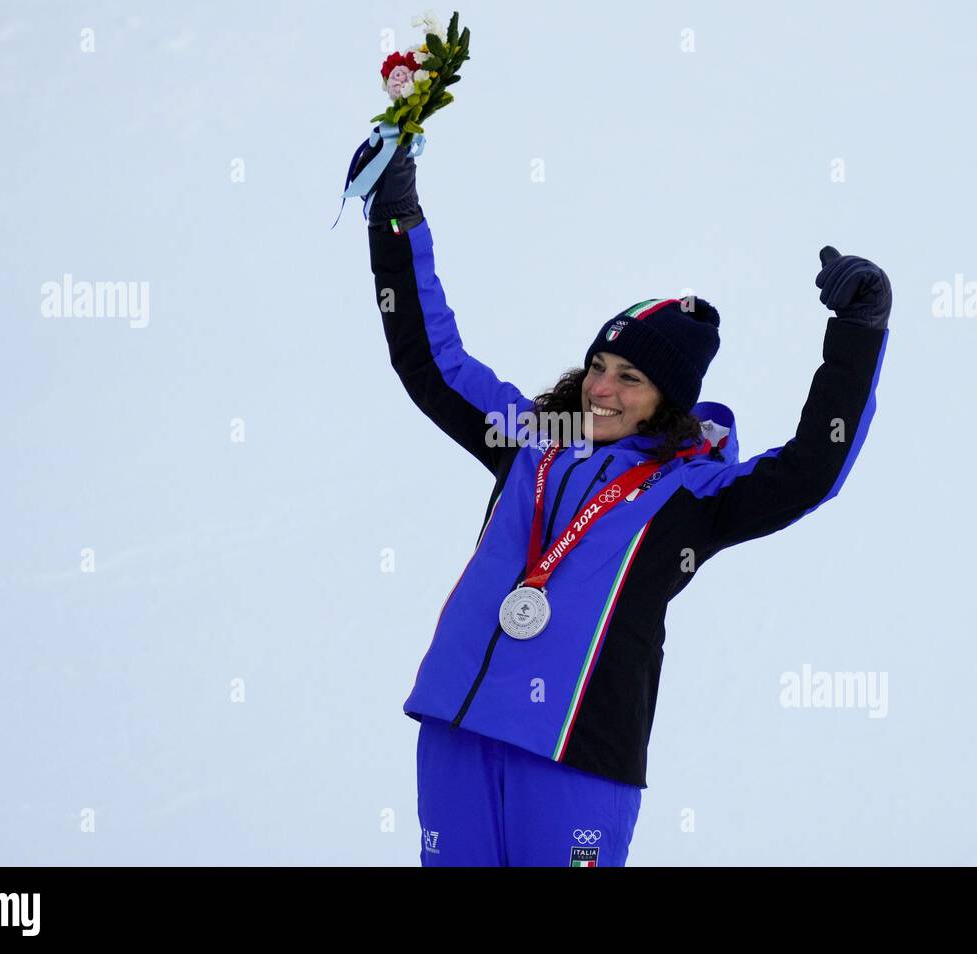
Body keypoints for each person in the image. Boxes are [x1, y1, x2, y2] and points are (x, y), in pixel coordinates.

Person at [345, 125, 891, 867]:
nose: (601, 387)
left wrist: (857, 333)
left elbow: (811, 468)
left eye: (629, 378)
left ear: (667, 397)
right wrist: (395, 216)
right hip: (457, 727)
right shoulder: (531, 438)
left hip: (578, 754)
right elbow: (430, 359)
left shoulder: (691, 495)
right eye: (599, 364)